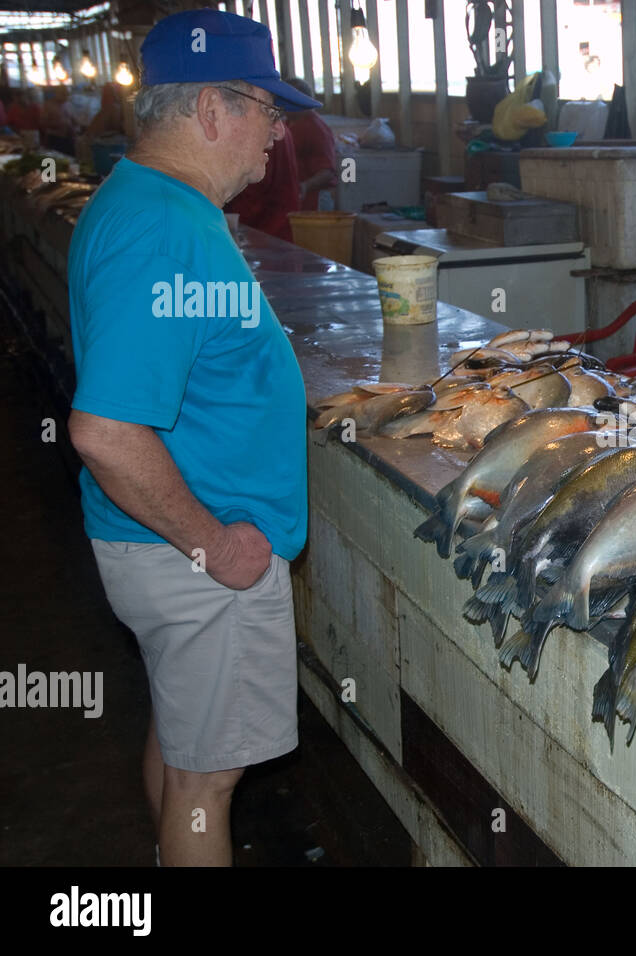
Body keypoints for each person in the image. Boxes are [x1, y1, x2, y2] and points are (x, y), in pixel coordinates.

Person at [66, 9, 321, 867]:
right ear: (213, 109)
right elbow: (104, 430)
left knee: (188, 756)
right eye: (270, 113)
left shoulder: (151, 202)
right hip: (197, 552)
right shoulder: (166, 230)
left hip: (164, 546)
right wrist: (215, 546)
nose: (278, 138)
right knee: (210, 785)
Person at [224, 122, 300, 241]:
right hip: (279, 224)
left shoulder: (264, 134)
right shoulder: (281, 132)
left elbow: (252, 193)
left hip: (265, 227)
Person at [284, 77, 338, 210]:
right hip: (296, 200)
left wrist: (304, 186)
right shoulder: (288, 124)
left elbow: (327, 172)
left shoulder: (316, 129)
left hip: (314, 201)